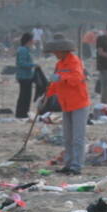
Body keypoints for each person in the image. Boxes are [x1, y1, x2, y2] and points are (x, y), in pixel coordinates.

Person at [39, 35, 89, 174]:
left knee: (78, 137)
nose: (54, 54)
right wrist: (45, 97)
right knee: (67, 137)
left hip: (79, 103)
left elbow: (77, 78)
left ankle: (77, 166)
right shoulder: (59, 64)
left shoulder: (74, 61)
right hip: (66, 103)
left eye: (56, 51)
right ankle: (68, 164)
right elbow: (55, 84)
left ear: (62, 50)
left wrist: (62, 77)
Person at [14, 32, 36, 119]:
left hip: (27, 76)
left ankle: (24, 112)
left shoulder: (26, 50)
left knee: (26, 96)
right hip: (24, 77)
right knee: (24, 96)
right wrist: (33, 65)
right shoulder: (23, 50)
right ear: (29, 41)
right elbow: (21, 63)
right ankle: (21, 113)